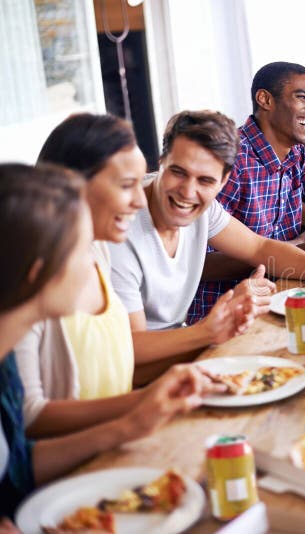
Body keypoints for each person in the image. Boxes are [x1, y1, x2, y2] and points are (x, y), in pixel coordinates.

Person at [0, 163, 222, 520]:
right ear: (37, 274)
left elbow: (16, 470)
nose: (92, 264)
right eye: (79, 251)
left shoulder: (6, 361)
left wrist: (129, 425)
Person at [108, 110, 305, 375]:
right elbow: (130, 351)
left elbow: (260, 248)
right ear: (161, 162)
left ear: (222, 182)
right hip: (135, 375)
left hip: (185, 350)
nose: (188, 191)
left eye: (205, 180)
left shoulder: (205, 208)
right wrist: (210, 330)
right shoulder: (119, 233)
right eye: (177, 172)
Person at [188, 62, 305, 324]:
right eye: (302, 97)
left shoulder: (296, 154)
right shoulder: (231, 160)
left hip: (282, 291)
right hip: (227, 313)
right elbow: (200, 264)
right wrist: (293, 253)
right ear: (265, 99)